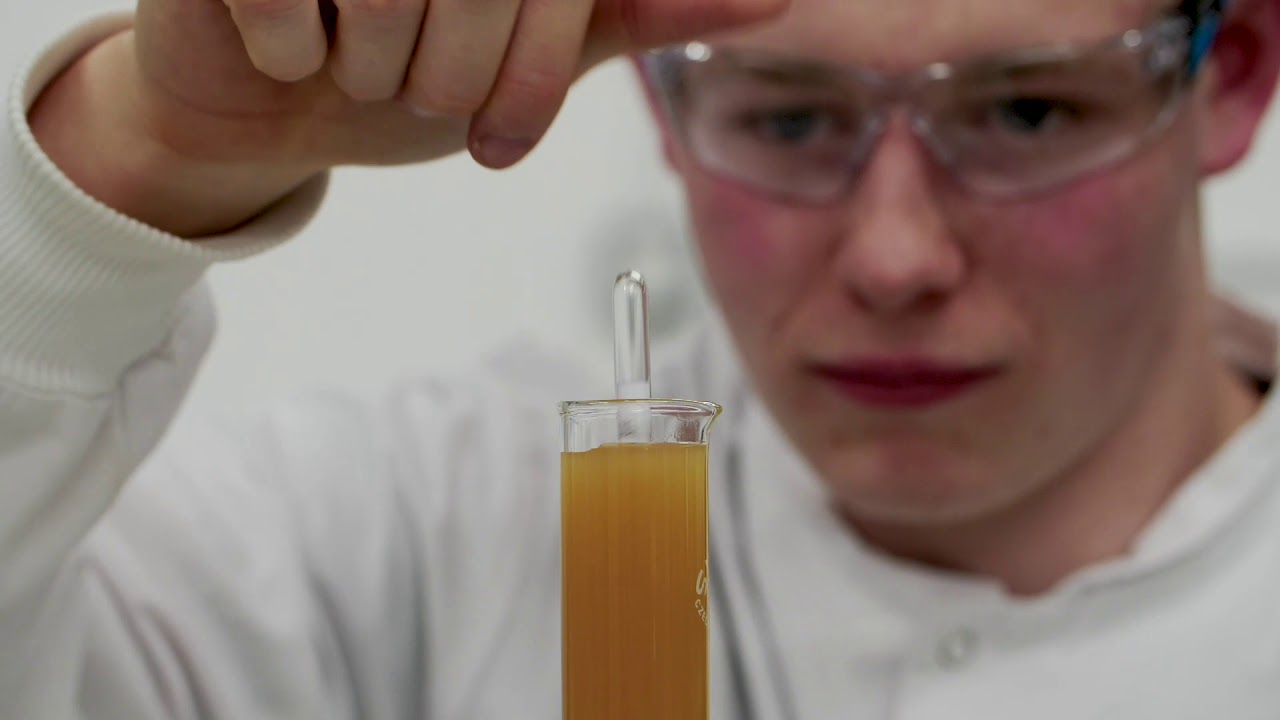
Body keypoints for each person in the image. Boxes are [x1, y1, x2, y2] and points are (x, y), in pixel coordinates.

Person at [3, 0, 1280, 716]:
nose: (895, 257)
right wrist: (144, 151)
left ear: (1229, 78)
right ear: (663, 110)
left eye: (1024, 110)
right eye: (786, 117)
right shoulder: (428, 530)